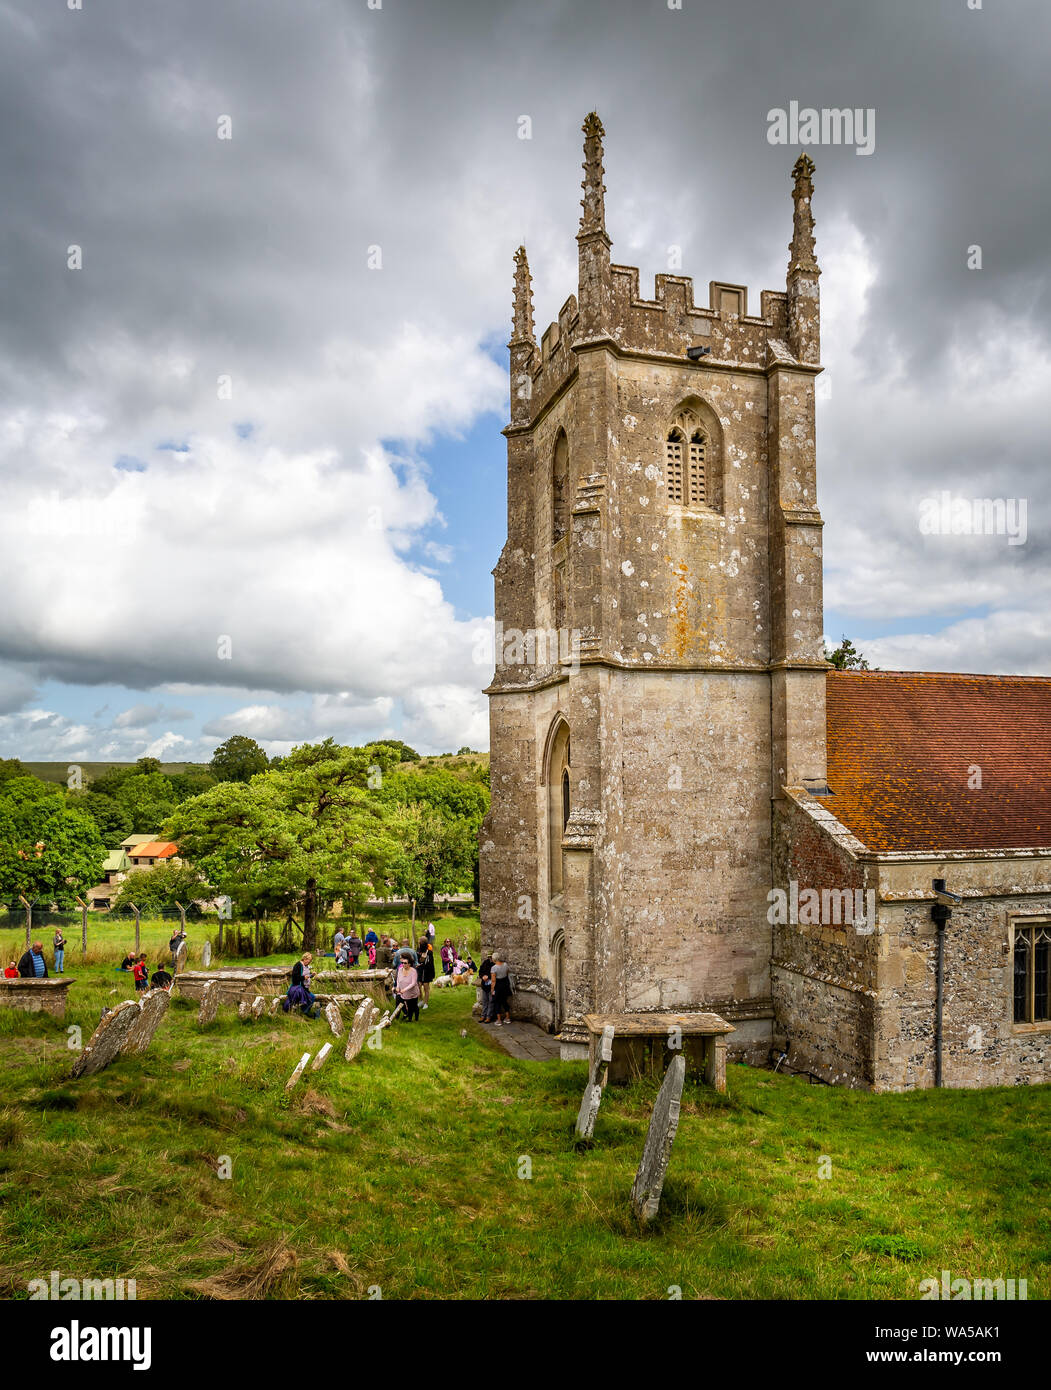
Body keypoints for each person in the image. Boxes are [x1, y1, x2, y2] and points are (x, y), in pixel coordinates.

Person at [395, 955, 421, 1023]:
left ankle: (415, 1018)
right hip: (403, 992)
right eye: (402, 963)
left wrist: (405, 989)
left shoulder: (413, 971)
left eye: (405, 963)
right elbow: (398, 979)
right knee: (405, 1005)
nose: (403, 964)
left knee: (413, 1006)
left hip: (412, 992)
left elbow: (413, 983)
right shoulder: (400, 970)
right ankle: (408, 1018)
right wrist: (397, 986)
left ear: (409, 964)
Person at [490, 953, 513, 1025]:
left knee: (497, 1002)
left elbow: (493, 981)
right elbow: (507, 973)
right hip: (505, 985)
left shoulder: (494, 968)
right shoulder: (505, 965)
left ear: (494, 959)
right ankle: (508, 1018)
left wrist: (492, 989)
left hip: (498, 986)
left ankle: (499, 1020)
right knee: (504, 1001)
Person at [416, 938, 435, 1008]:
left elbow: (431, 964)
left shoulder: (429, 952)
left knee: (426, 988)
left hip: (427, 972)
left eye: (420, 943)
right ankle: (420, 1000)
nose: (419, 944)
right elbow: (418, 960)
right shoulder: (418, 950)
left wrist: (432, 974)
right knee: (418, 986)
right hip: (420, 971)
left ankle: (426, 1003)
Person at [478, 952, 494, 1023]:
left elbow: (494, 974)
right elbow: (480, 971)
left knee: (491, 1001)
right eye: (488, 957)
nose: (489, 958)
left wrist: (488, 976)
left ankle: (488, 1017)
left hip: (491, 985)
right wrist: (482, 976)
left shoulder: (494, 964)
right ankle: (483, 1016)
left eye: (490, 957)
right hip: (484, 985)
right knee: (484, 1001)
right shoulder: (485, 963)